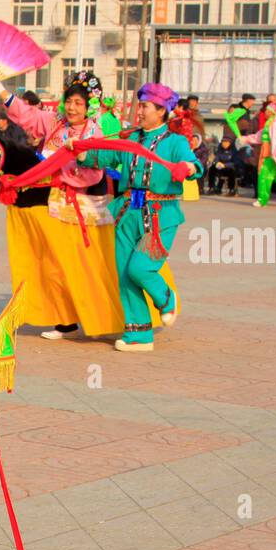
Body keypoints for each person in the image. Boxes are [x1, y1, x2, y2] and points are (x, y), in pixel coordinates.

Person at [5, 71, 137, 341]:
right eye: (69, 101)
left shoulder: (93, 133)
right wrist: (2, 92)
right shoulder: (57, 123)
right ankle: (64, 321)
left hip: (82, 208)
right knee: (54, 264)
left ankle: (111, 317)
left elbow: (92, 174)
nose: (73, 107)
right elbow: (29, 116)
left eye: (79, 102)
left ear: (89, 105)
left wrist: (63, 166)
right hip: (54, 204)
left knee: (87, 267)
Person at [75, 82, 200, 353]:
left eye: (144, 107)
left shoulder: (175, 142)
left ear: (161, 111)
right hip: (127, 213)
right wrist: (82, 153)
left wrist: (187, 168)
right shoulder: (130, 139)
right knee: (123, 274)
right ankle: (139, 335)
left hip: (160, 215)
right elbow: (104, 156)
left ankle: (166, 298)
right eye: (139, 105)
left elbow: (193, 164)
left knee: (140, 268)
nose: (138, 111)